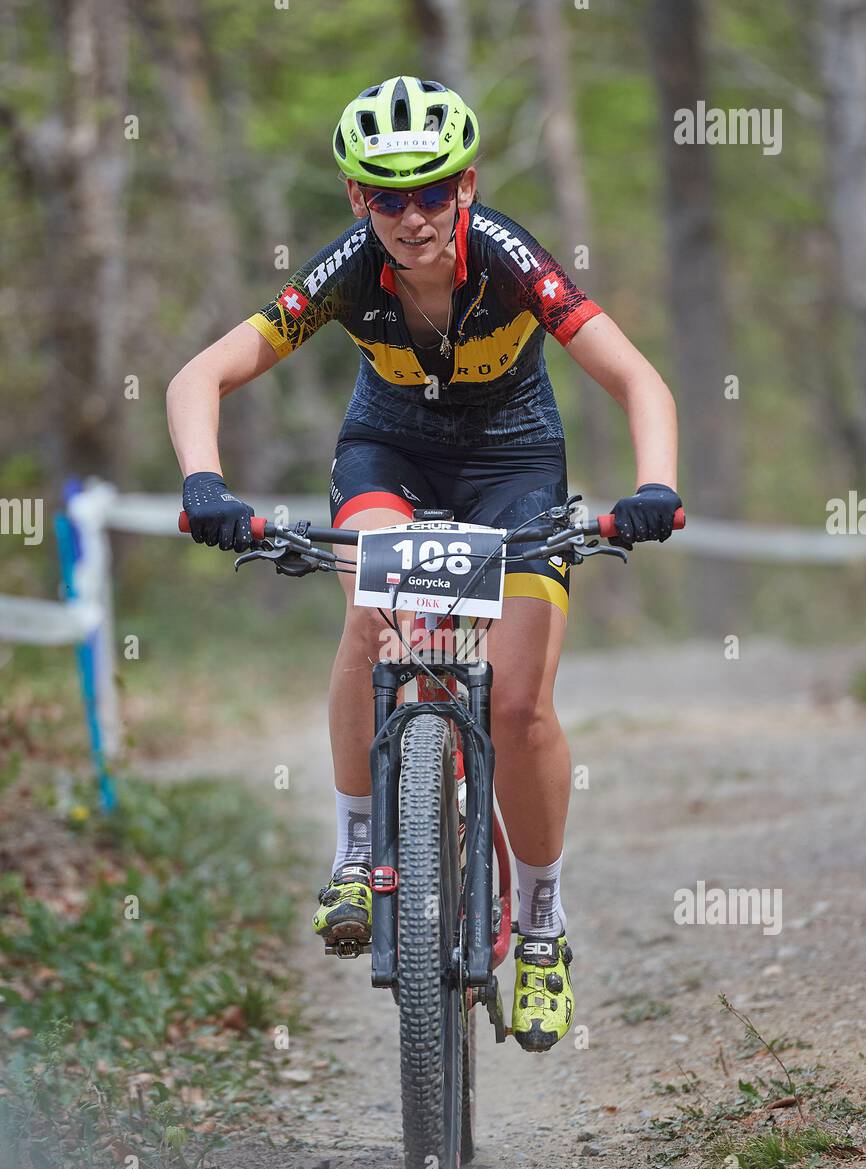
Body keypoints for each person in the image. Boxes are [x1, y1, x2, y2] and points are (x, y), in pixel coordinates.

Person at [168, 75, 681, 1052]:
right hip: (388, 454)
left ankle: (539, 928)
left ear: (467, 186)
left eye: (432, 191)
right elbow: (204, 373)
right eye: (387, 196)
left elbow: (633, 376)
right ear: (358, 199)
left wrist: (651, 487)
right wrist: (205, 484)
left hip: (512, 463)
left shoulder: (508, 258)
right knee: (371, 616)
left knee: (518, 706)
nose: (412, 217)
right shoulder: (346, 269)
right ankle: (358, 851)